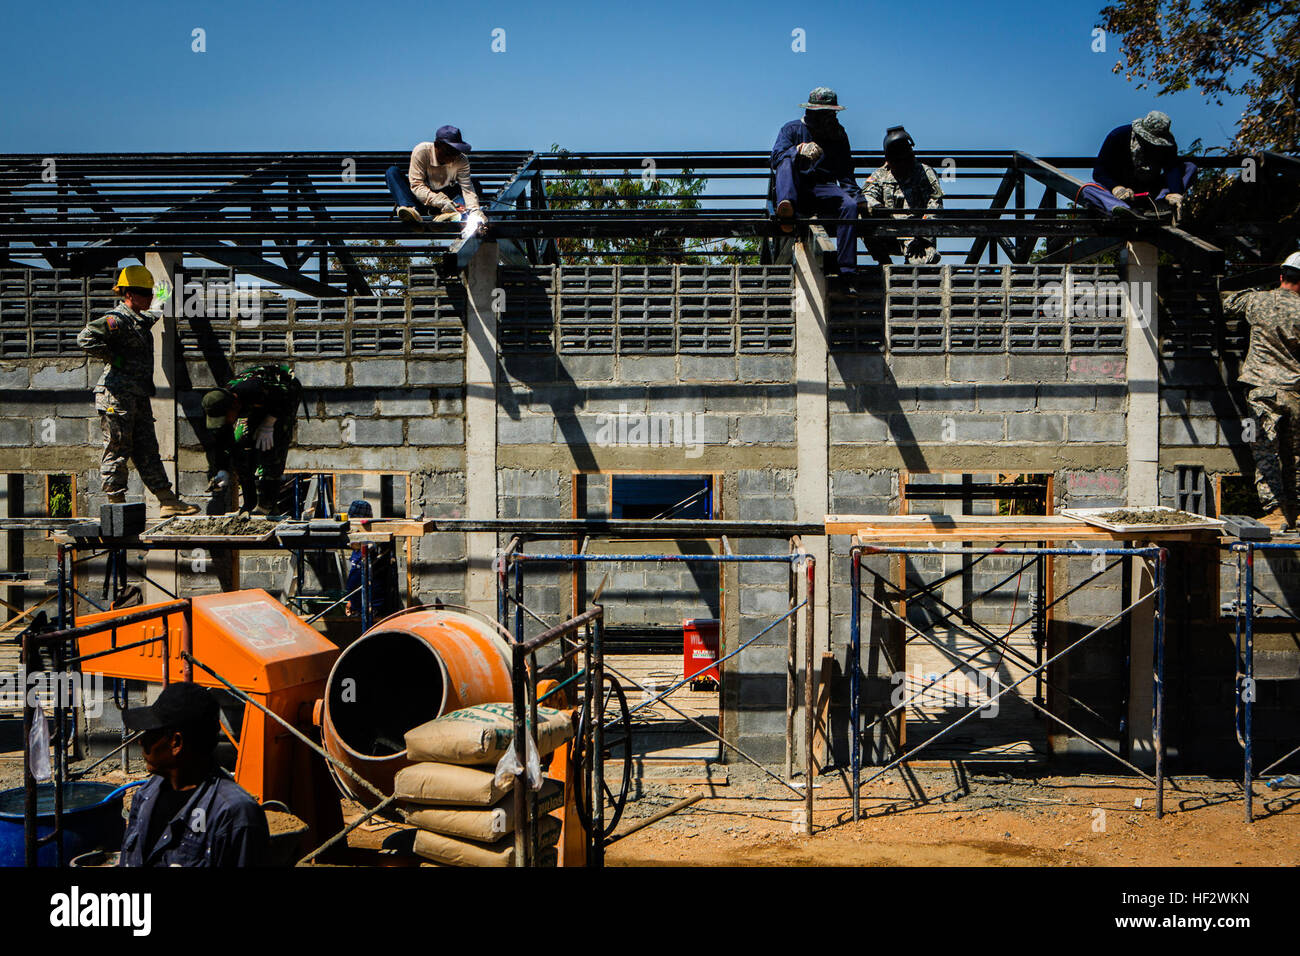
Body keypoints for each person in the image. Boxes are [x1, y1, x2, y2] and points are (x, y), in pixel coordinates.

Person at [77, 266, 198, 518]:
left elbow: (150, 316)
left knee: (147, 448)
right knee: (118, 447)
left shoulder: (138, 318)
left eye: (150, 293)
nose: (150, 297)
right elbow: (85, 338)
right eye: (145, 293)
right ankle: (116, 503)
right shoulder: (116, 319)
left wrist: (162, 300)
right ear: (129, 294)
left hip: (137, 395)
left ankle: (166, 499)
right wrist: (114, 358)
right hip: (116, 396)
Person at [120, 682, 269, 867]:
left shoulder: (234, 816)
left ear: (176, 742)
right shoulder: (146, 795)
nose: (141, 742)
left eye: (151, 734)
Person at [1223, 252, 1300, 530]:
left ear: (1281, 276)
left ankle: (1277, 512)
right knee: (1295, 455)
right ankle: (1297, 512)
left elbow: (1228, 302)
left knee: (1265, 451)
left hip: (1260, 392)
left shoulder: (1258, 300)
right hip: (1294, 392)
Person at [770, 87, 863, 276]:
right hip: (795, 187)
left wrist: (859, 199)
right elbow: (776, 159)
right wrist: (797, 151)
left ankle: (847, 272)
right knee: (786, 160)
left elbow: (845, 173)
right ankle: (786, 210)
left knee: (850, 206)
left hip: (824, 188)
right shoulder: (791, 129)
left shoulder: (838, 135)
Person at [201, 364, 303, 516]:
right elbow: (223, 440)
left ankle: (266, 505)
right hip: (257, 405)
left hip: (284, 396)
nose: (225, 423)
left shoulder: (251, 389)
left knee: (271, 447)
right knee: (240, 447)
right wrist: (222, 470)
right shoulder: (219, 404)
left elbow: (285, 397)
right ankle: (249, 503)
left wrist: (268, 424)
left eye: (225, 418)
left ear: (234, 405)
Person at [1082, 110, 1197, 220]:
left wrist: (1175, 192)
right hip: (1122, 194)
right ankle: (1123, 210)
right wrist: (1116, 188)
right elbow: (1099, 171)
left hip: (1152, 192)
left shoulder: (1168, 146)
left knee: (1189, 167)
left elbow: (1172, 169)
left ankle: (1162, 204)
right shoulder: (1118, 136)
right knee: (1088, 189)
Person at [860, 126, 944, 265]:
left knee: (921, 263)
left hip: (916, 236)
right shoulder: (881, 174)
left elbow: (935, 205)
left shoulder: (924, 173)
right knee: (861, 214)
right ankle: (884, 263)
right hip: (889, 232)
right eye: (897, 160)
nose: (902, 164)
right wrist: (878, 208)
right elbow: (866, 195)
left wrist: (921, 236)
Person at [386, 125, 483, 228]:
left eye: (456, 152)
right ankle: (411, 211)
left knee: (475, 184)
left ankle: (452, 214)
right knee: (392, 172)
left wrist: (474, 211)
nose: (453, 157)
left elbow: (467, 189)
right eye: (449, 152)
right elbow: (417, 186)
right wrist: (442, 202)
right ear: (437, 145)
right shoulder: (421, 151)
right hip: (419, 199)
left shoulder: (461, 160)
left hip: (448, 200)